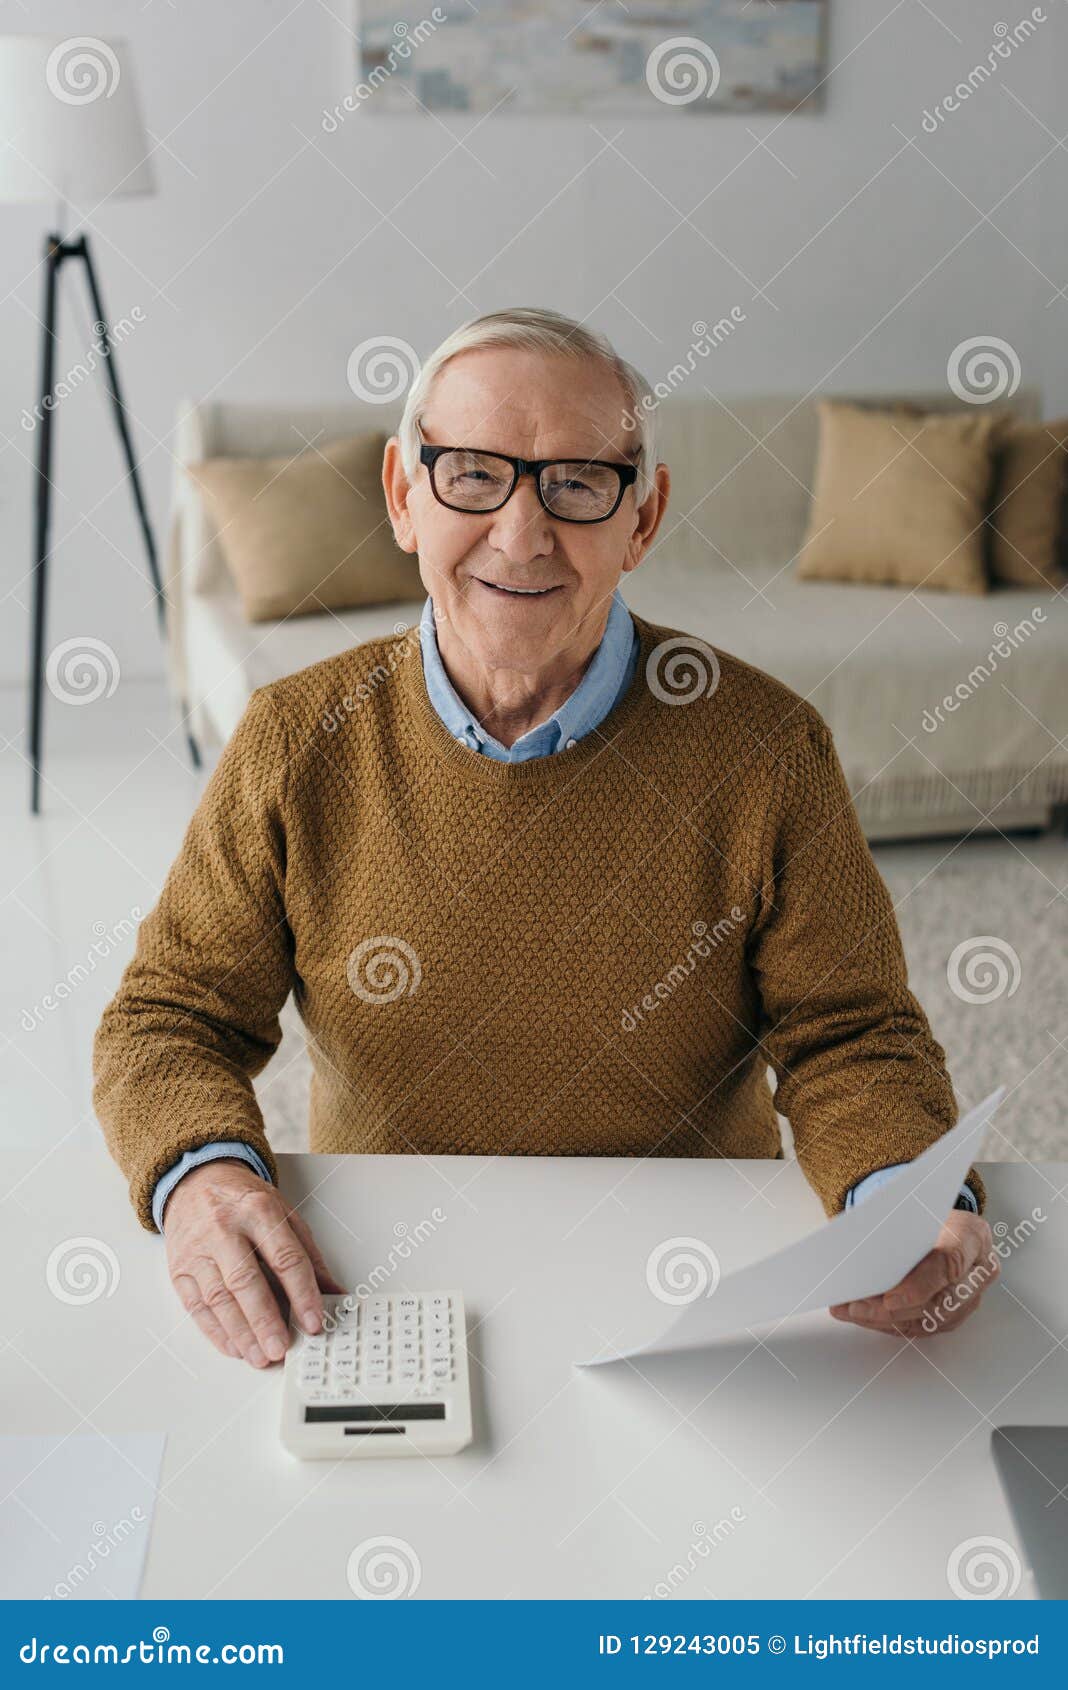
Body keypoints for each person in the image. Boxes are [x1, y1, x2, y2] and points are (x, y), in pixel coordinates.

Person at [93, 307, 998, 1368]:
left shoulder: (769, 748)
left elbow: (852, 1034)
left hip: (690, 1279)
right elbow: (169, 1016)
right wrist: (204, 1176)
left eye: (575, 484)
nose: (521, 535)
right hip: (380, 1276)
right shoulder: (294, 739)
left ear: (643, 518)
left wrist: (906, 1199)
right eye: (474, 475)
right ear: (403, 495)